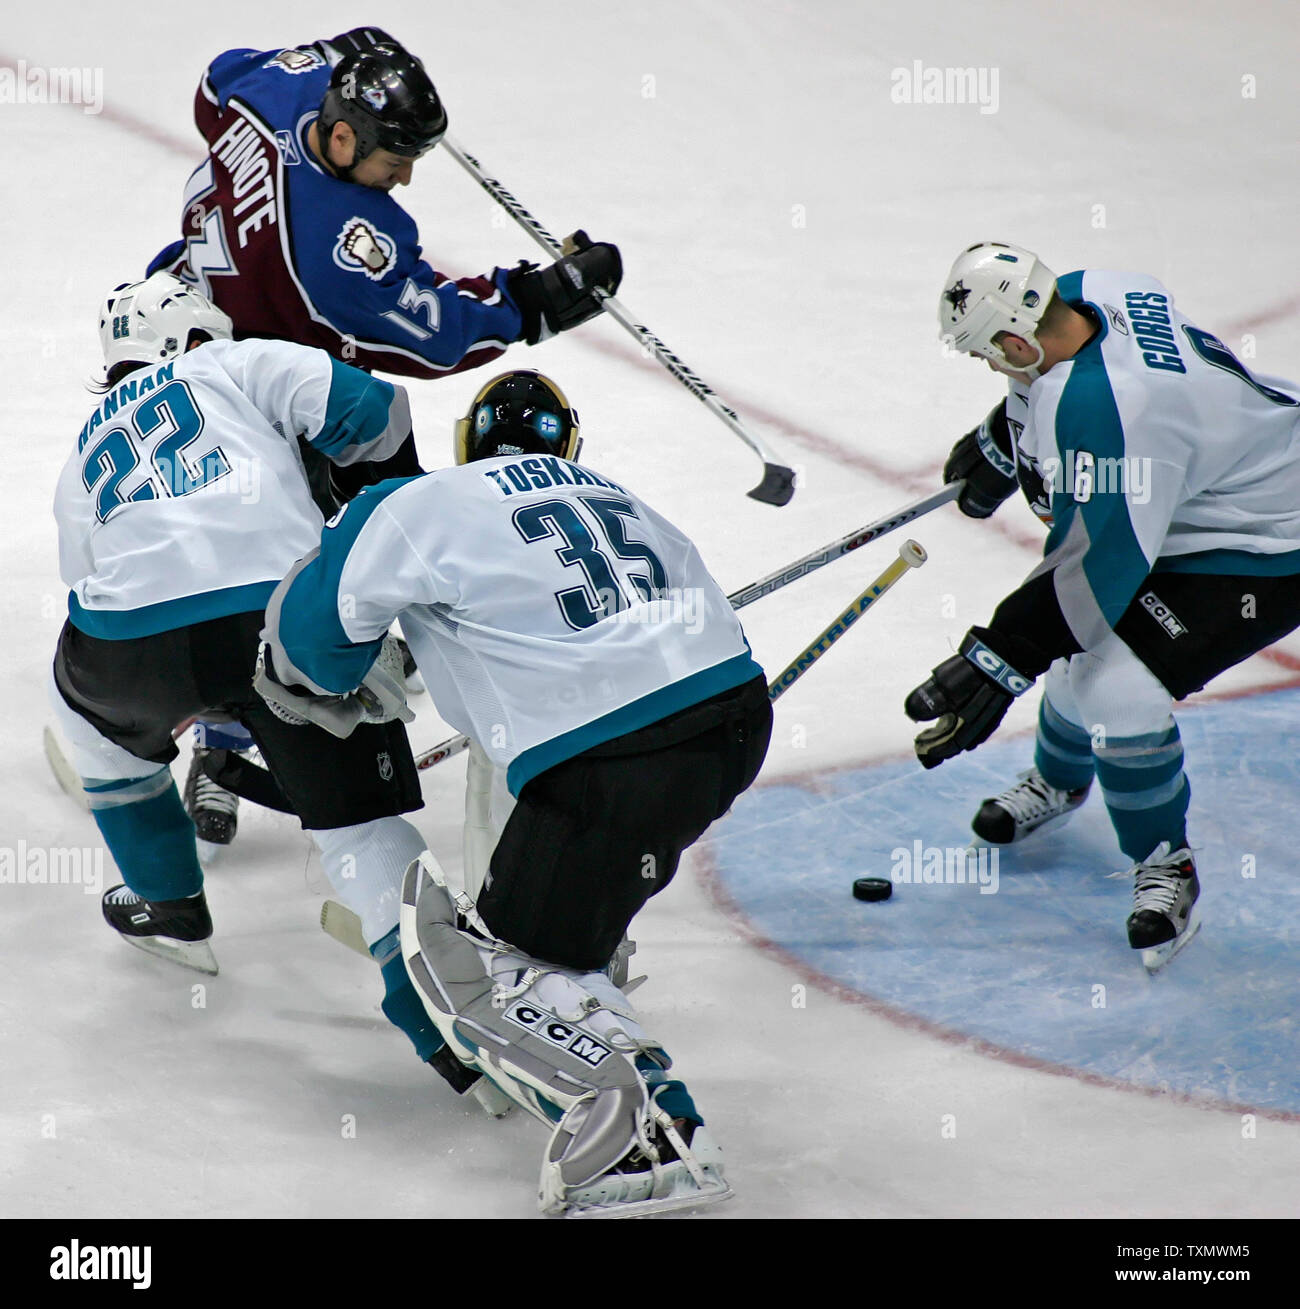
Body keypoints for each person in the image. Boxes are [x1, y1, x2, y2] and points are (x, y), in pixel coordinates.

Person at [257, 370, 773, 1217]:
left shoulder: (411, 500)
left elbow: (307, 648)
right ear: (567, 442)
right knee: (562, 927)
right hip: (732, 726)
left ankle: (647, 1134)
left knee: (488, 971)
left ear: (467, 442)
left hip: (607, 757)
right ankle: (583, 971)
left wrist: (330, 680)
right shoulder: (620, 494)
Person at [146, 26, 623, 846]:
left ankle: (231, 703)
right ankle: (227, 732)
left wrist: (342, 50)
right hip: (252, 388)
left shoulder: (273, 88)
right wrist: (535, 300)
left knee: (237, 546)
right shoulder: (333, 248)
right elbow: (432, 334)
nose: (403, 177)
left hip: (177, 316)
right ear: (343, 137)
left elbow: (211, 86)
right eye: (393, 160)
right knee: (280, 549)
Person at [50, 272, 453, 1078]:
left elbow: (85, 576)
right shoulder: (232, 365)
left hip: (128, 647)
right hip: (279, 619)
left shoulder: (84, 446)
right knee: (359, 831)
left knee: (93, 731)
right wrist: (384, 523)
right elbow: (376, 409)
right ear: (196, 333)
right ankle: (448, 1021)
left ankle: (170, 903)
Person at [905, 240, 1300, 969]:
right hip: (1211, 489)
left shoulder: (1113, 416)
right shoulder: (1091, 291)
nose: (991, 368)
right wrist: (1004, 439)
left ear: (1018, 339)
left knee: (1113, 683)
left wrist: (995, 661)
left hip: (1269, 542)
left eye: (989, 354)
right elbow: (1049, 383)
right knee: (1079, 645)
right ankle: (1061, 779)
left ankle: (1166, 863)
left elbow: (1096, 570)